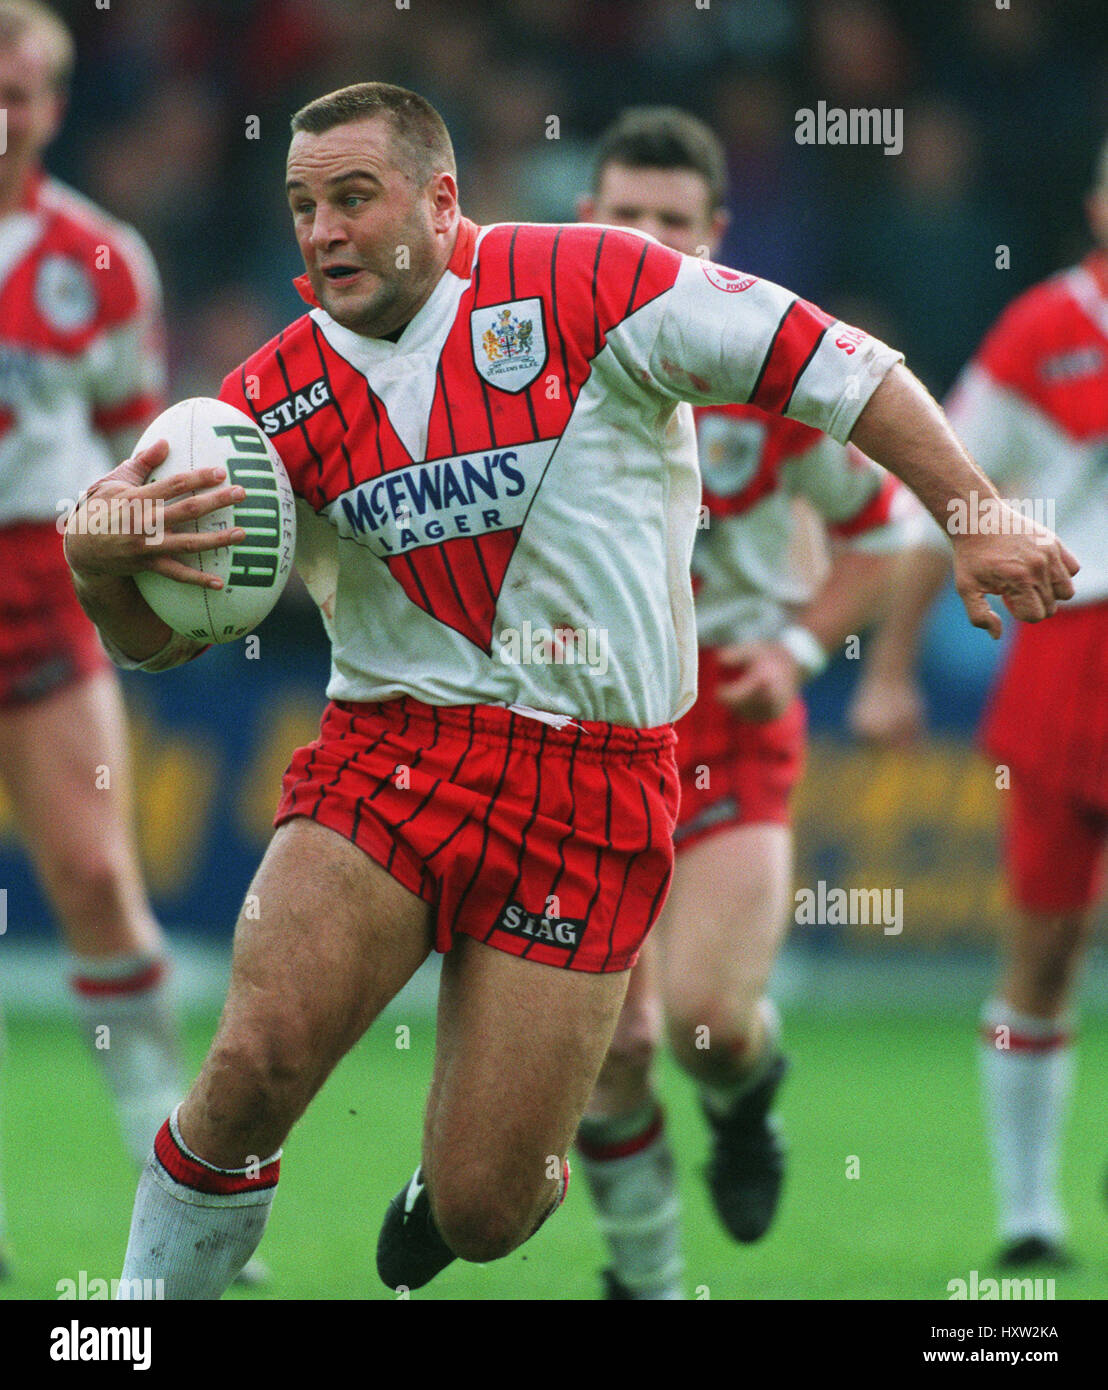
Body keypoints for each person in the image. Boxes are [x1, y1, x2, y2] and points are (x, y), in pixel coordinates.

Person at [62, 81, 1077, 1300]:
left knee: (492, 1208)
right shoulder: (260, 408)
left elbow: (835, 362)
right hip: (388, 758)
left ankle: (473, 1188)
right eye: (301, 206)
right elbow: (165, 642)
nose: (322, 229)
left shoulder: (592, 283)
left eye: (351, 197)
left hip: (593, 788)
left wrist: (967, 512)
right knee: (255, 1063)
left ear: (441, 201)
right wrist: (100, 565)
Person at [572, 107, 917, 1300]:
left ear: (714, 234)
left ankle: (746, 1096)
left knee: (707, 1023)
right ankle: (646, 1278)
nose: (646, 241)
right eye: (625, 217)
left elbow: (882, 534)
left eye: (673, 223)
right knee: (603, 1044)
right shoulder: (519, 363)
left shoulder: (769, 368)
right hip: (581, 716)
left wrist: (802, 646)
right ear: (586, 221)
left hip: (728, 714)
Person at [849, 136, 1108, 1269]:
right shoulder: (1041, 331)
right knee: (1044, 942)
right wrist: (891, 665)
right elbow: (939, 497)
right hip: (1073, 650)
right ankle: (1027, 1211)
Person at [0, 0, 179, 1277]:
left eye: (19, 86)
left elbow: (138, 451)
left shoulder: (103, 258)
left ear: (54, 103)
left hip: (40, 579)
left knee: (99, 880)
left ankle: (173, 1169)